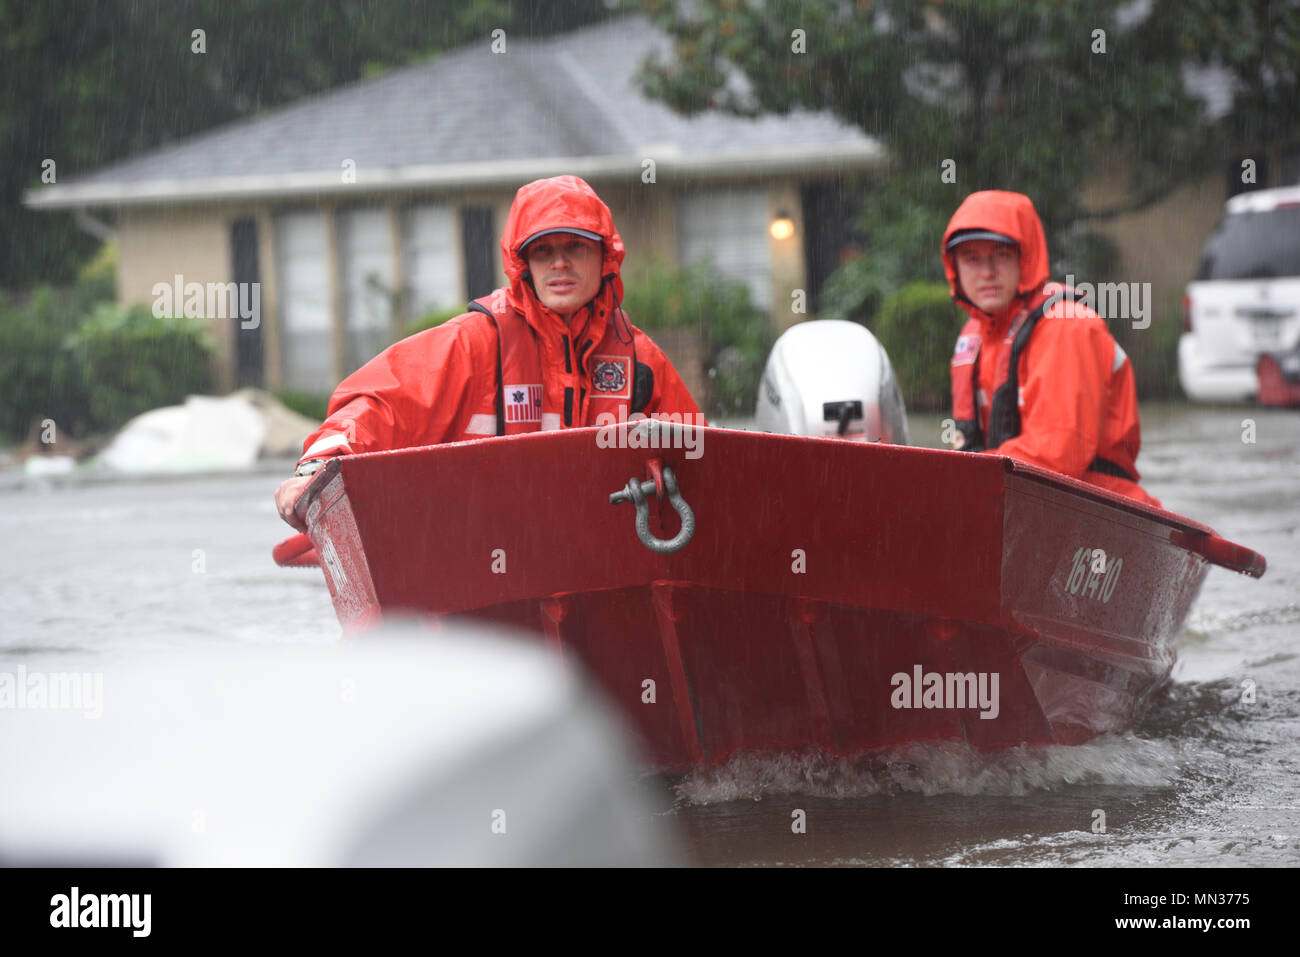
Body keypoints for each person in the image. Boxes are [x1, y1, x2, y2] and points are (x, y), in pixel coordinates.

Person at [276, 175, 704, 531]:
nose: (559, 264)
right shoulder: (474, 343)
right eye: (543, 251)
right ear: (523, 265)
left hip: (603, 555)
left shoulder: (640, 360)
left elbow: (704, 459)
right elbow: (377, 404)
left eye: (575, 247)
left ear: (604, 257)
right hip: (484, 551)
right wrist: (316, 469)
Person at [943, 190, 1162, 508]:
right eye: (972, 258)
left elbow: (1059, 454)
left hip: (1096, 504)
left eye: (1001, 255)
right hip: (1010, 496)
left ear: (1025, 258)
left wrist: (960, 476)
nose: (987, 272)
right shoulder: (973, 338)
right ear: (955, 268)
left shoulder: (1066, 325)